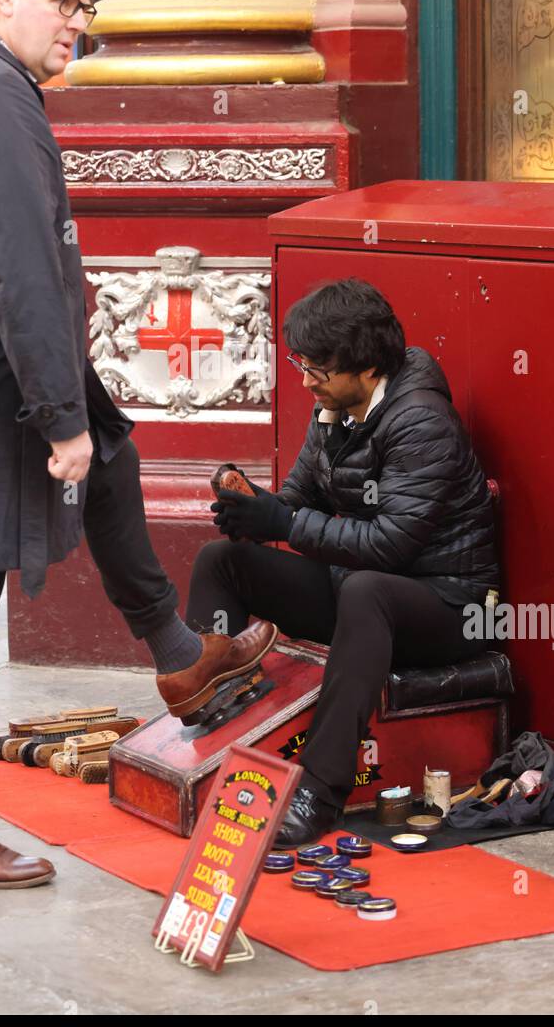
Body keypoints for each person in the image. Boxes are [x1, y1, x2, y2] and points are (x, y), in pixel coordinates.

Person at [0, 0, 274, 890]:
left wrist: (79, 416)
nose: (79, 25)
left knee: (116, 452)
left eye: (87, 8)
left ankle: (178, 654)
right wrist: (58, 418)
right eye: (67, 3)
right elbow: (22, 272)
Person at [189, 278, 499, 848]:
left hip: (450, 605)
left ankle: (320, 792)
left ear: (365, 367)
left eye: (318, 369)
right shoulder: (334, 408)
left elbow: (391, 544)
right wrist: (256, 508)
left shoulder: (422, 422)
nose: (306, 381)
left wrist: (282, 525)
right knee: (222, 560)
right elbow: (298, 501)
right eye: (299, 364)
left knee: (365, 589)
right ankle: (206, 717)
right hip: (362, 592)